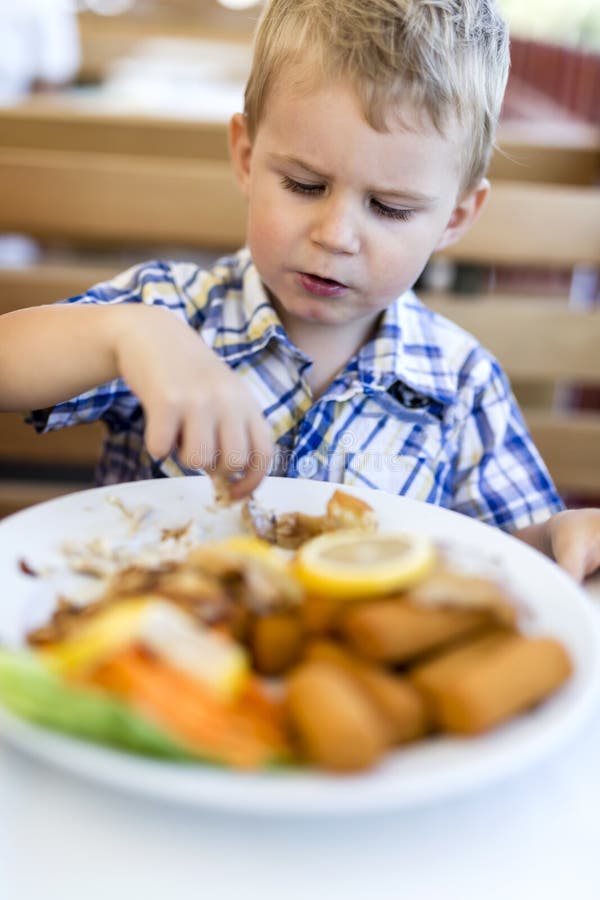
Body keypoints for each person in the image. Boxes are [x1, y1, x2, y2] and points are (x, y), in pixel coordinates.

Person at [0, 0, 598, 581]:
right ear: (245, 157)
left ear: (456, 218)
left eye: (389, 208)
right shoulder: (169, 311)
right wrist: (123, 335)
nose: (335, 236)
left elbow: (512, 562)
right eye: (304, 185)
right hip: (149, 652)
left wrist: (557, 541)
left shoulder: (462, 384)